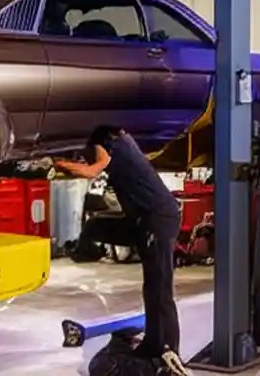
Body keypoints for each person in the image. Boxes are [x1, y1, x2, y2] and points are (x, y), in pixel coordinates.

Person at [55, 126, 187, 372]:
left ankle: (165, 350)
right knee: (96, 225)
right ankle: (87, 251)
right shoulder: (124, 141)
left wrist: (59, 164)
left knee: (158, 288)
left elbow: (93, 168)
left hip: (155, 220)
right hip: (144, 220)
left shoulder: (104, 143)